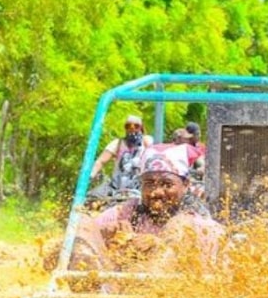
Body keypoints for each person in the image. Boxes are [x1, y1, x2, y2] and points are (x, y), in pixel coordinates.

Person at [70, 143, 224, 272]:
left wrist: (155, 245)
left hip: (170, 297)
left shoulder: (199, 224)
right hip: (117, 295)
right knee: (82, 221)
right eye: (149, 184)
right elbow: (82, 234)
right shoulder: (123, 213)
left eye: (167, 184)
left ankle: (150, 281)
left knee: (179, 226)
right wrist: (103, 234)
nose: (156, 193)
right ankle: (86, 282)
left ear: (185, 185)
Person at [89, 115, 155, 186]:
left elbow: (154, 156)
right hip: (118, 185)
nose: (131, 129)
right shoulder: (117, 143)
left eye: (136, 126)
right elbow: (101, 161)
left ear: (141, 128)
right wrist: (90, 175)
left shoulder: (146, 141)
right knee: (94, 195)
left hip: (141, 185)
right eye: (128, 126)